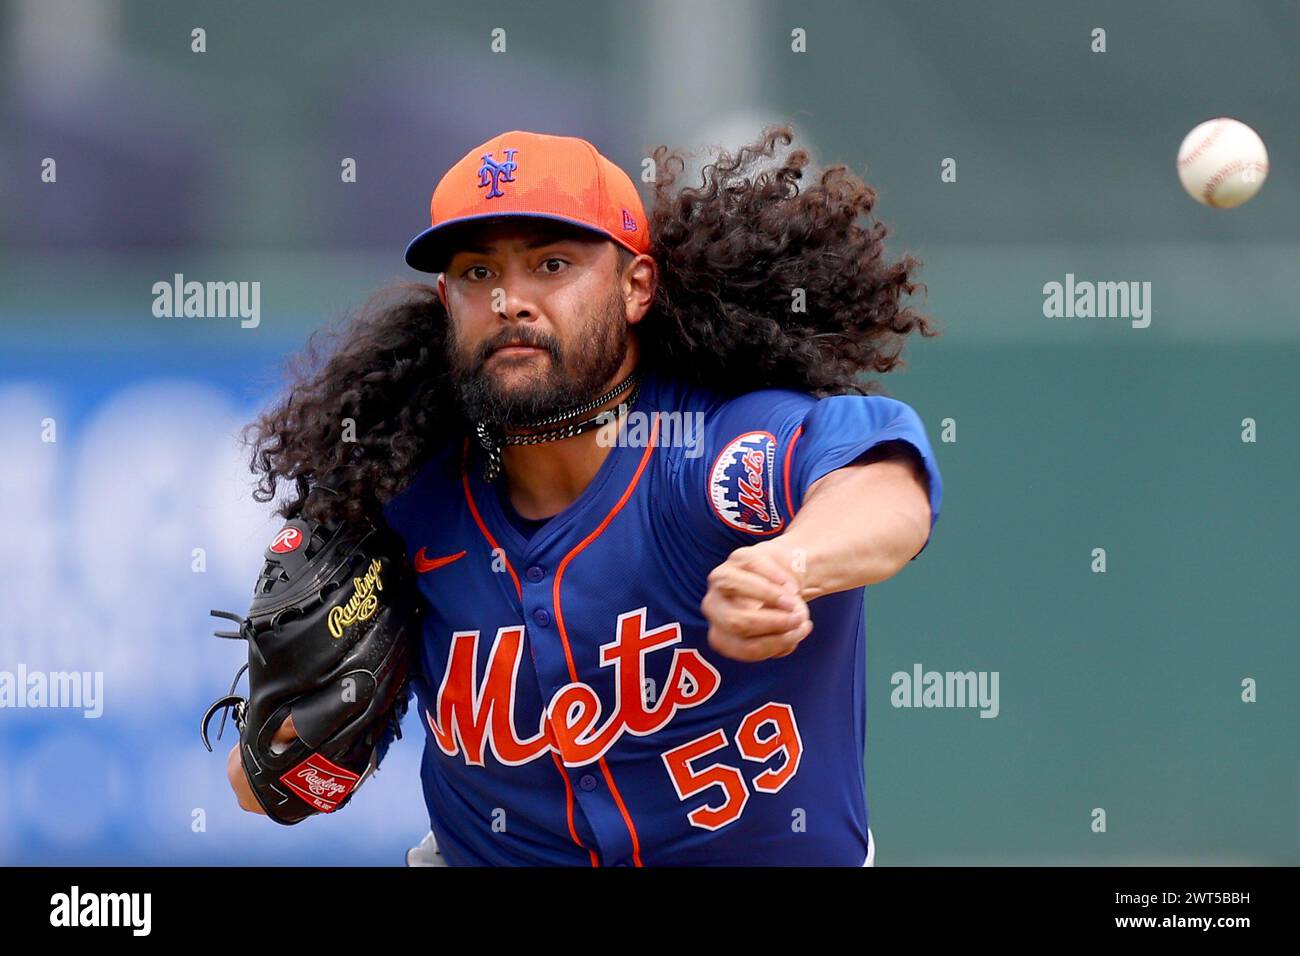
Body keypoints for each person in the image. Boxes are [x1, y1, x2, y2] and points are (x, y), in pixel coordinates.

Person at [232, 126, 943, 866]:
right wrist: (287, 758)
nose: (511, 300)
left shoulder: (709, 451)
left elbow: (887, 490)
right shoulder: (408, 497)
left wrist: (792, 563)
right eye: (478, 273)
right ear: (446, 300)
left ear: (636, 286)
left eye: (552, 263)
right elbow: (265, 790)